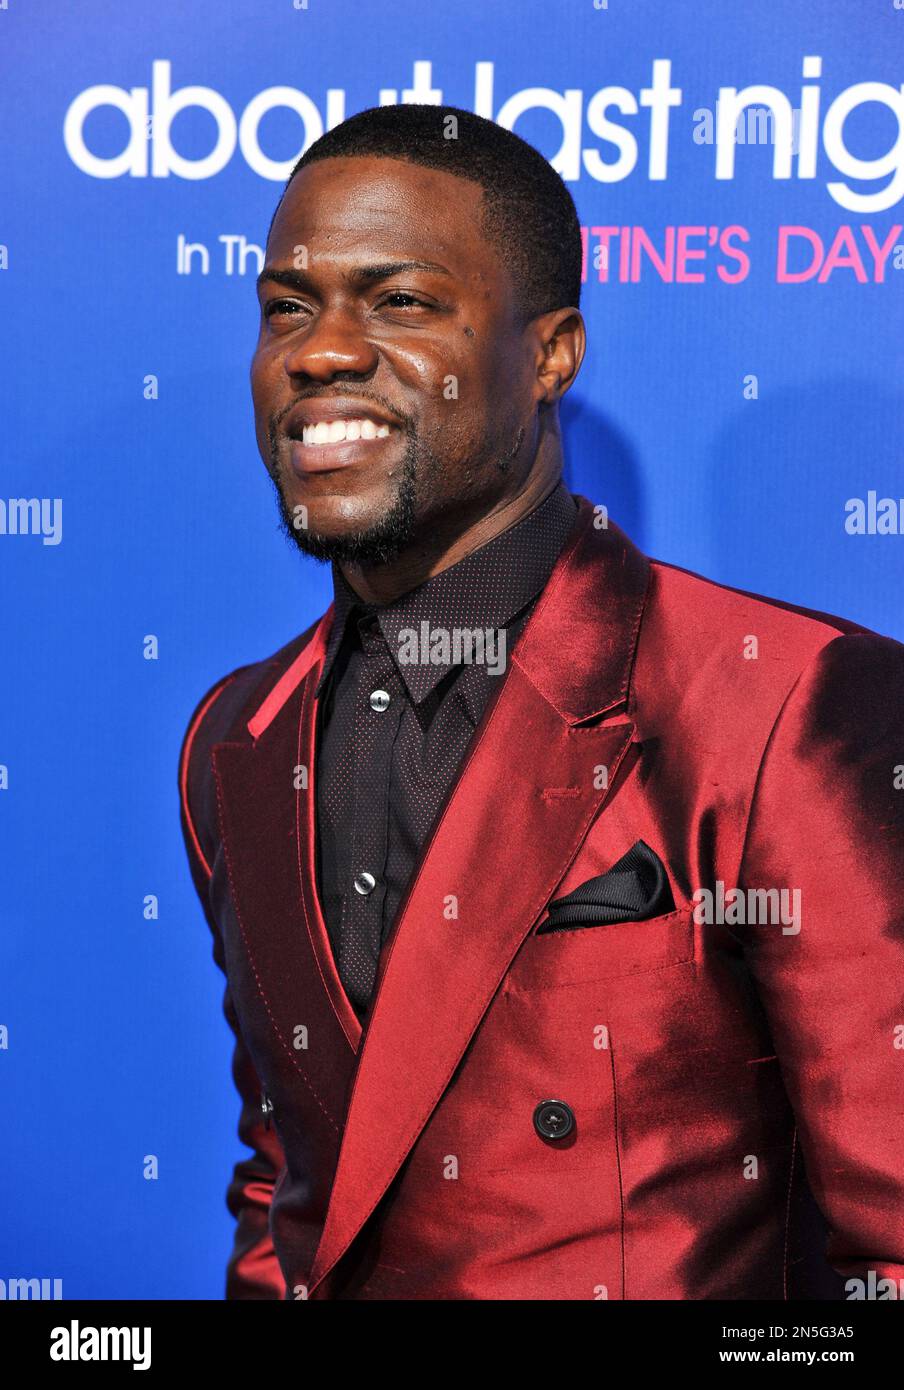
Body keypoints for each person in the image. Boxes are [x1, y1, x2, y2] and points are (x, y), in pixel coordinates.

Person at [179, 103, 904, 1300]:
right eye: (287, 309)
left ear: (553, 352)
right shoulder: (235, 742)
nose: (319, 352)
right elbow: (291, 1189)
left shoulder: (780, 702)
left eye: (400, 301)